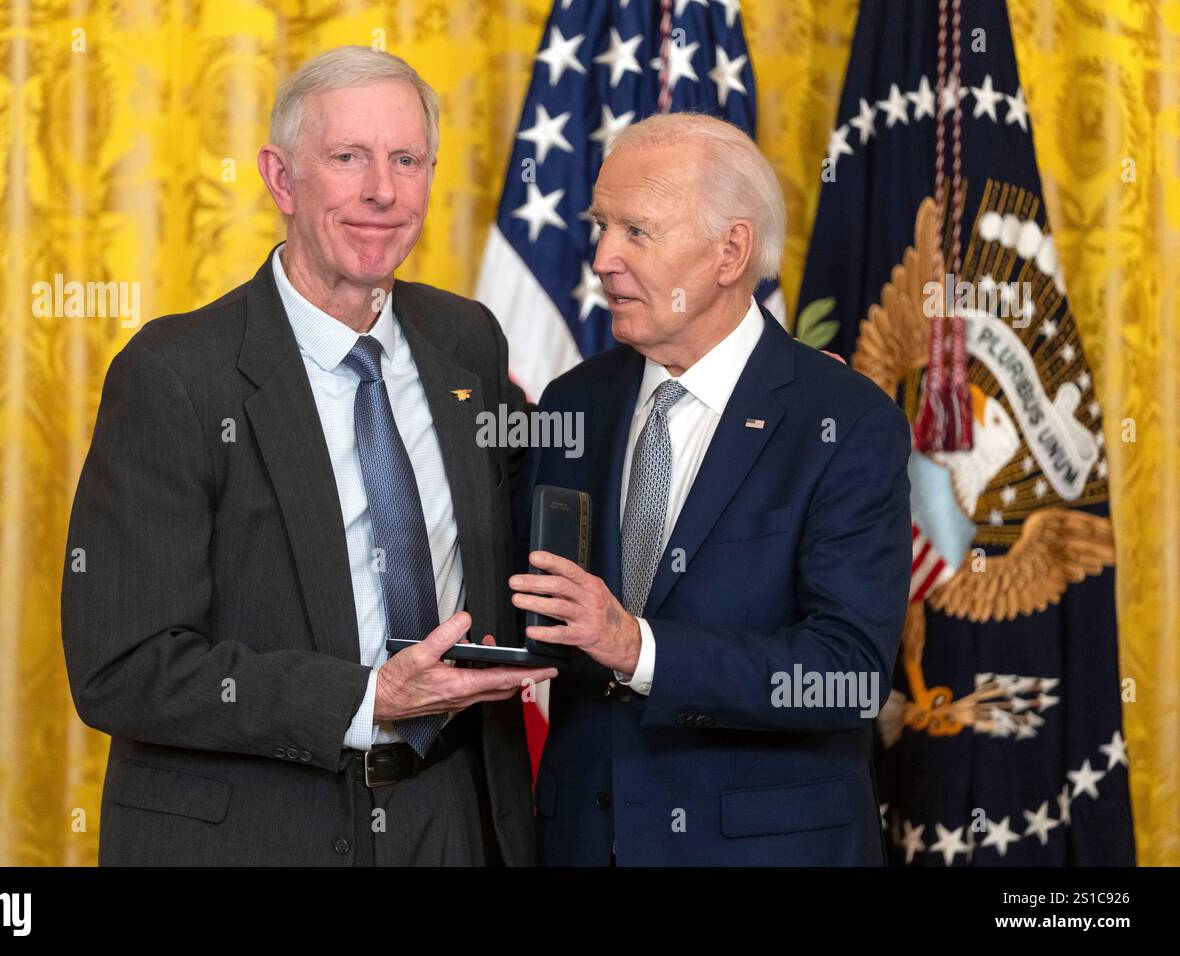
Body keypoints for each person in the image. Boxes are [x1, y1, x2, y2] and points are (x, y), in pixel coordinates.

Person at [61, 45, 554, 866]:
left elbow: (546, 491)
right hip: (262, 830)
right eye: (348, 158)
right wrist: (368, 698)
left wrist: (778, 391)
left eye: (406, 160)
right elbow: (123, 666)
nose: (382, 192)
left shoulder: (467, 340)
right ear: (282, 180)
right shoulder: (178, 376)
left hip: (456, 818)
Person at [510, 113, 911, 865]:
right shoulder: (571, 403)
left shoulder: (846, 422)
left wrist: (639, 647)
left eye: (637, 230)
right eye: (602, 225)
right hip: (583, 840)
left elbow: (848, 677)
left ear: (731, 252)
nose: (601, 257)